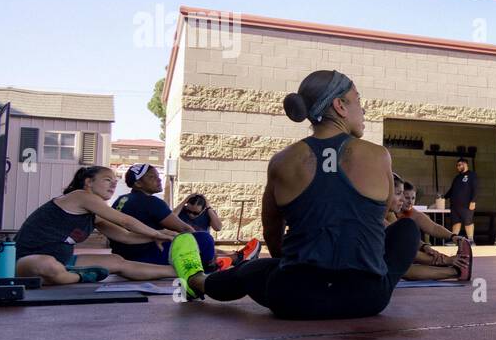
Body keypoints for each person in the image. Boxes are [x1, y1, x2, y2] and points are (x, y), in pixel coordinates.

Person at [175, 69, 422, 319]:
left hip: (295, 297)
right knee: (407, 229)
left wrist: (290, 266)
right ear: (340, 105)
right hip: (366, 298)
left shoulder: (281, 162)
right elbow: (384, 215)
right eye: (359, 100)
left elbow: (272, 234)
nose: (364, 109)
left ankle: (197, 281)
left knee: (249, 270)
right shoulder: (379, 156)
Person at [14, 165, 178, 284]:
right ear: (88, 183)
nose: (114, 184)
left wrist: (154, 237)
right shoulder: (80, 196)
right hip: (26, 262)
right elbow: (125, 221)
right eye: (107, 180)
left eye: (115, 181)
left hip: (65, 261)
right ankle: (80, 277)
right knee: (47, 265)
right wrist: (157, 233)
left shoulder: (95, 215)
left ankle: (180, 272)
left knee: (117, 261)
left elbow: (125, 236)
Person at [108, 164, 219, 269]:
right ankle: (206, 271)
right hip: (145, 256)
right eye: (152, 177)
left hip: (121, 254)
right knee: (205, 239)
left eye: (158, 176)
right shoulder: (152, 202)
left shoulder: (121, 199)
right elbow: (185, 229)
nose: (159, 179)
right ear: (138, 184)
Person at [444, 157, 477, 242]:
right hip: (455, 206)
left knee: (468, 222)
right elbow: (452, 189)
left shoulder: (472, 175)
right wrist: (444, 197)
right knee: (456, 222)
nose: (458, 167)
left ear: (465, 164)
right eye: (457, 165)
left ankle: (471, 240)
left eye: (459, 165)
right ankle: (454, 240)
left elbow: (475, 189)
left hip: (466, 205)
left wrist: (473, 201)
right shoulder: (457, 178)